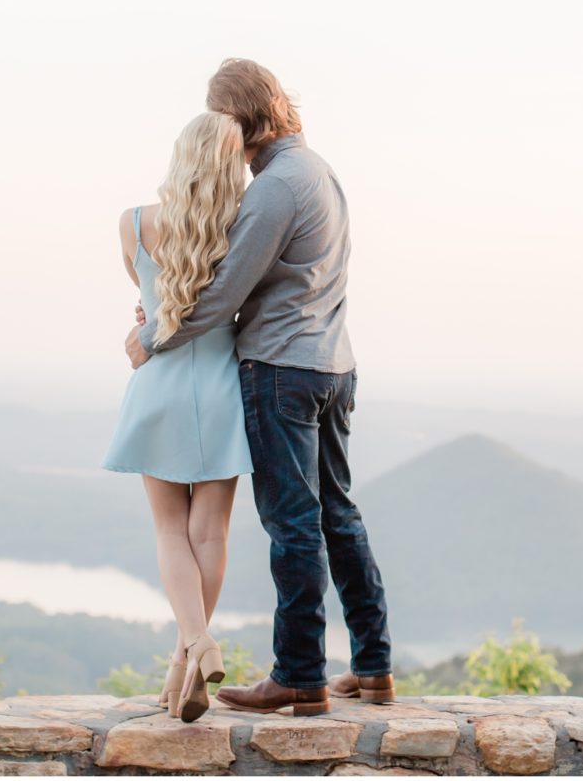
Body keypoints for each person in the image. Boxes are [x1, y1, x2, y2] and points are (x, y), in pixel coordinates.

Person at [125, 58, 394, 718]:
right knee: (339, 514)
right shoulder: (321, 173)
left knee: (293, 522)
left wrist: (152, 337)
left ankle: (300, 674)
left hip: (283, 370)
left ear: (239, 122)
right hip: (334, 364)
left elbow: (221, 296)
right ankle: (373, 664)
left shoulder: (274, 189)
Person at [101, 110, 255, 723]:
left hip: (158, 386)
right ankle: (185, 657)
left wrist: (148, 319)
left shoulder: (134, 224)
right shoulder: (243, 228)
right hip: (219, 389)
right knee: (210, 533)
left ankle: (192, 649)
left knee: (169, 530)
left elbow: (147, 301)